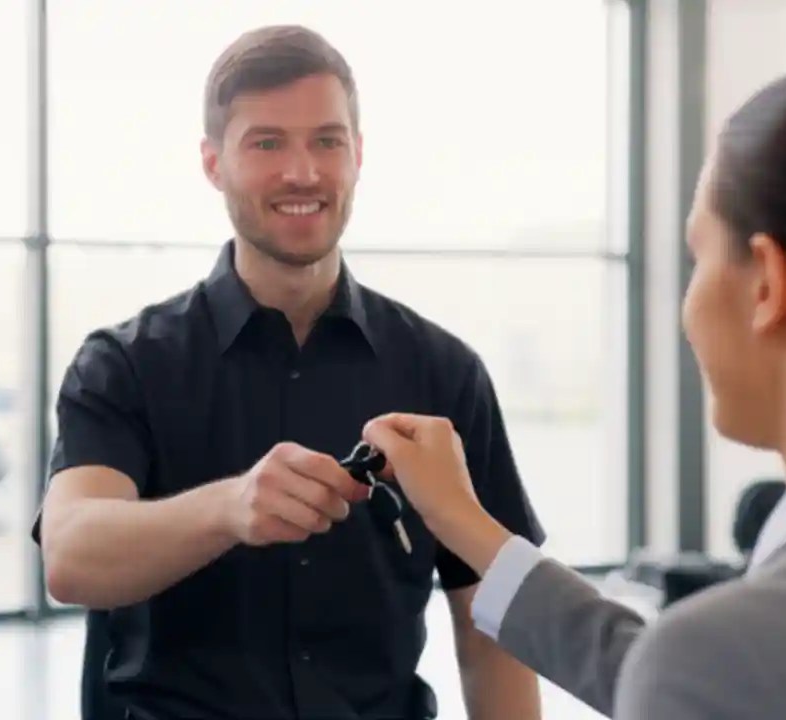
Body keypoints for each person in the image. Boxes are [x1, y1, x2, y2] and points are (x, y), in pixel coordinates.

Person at [361, 51, 786, 719]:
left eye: (696, 256)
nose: (688, 303)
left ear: (767, 282)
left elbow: (707, 677)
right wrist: (467, 525)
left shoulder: (729, 657)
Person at [33, 24, 547, 720]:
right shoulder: (124, 365)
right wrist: (229, 508)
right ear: (214, 163)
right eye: (267, 142)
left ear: (358, 155)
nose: (302, 172)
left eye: (326, 141)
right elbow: (70, 557)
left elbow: (492, 622)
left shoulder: (444, 371)